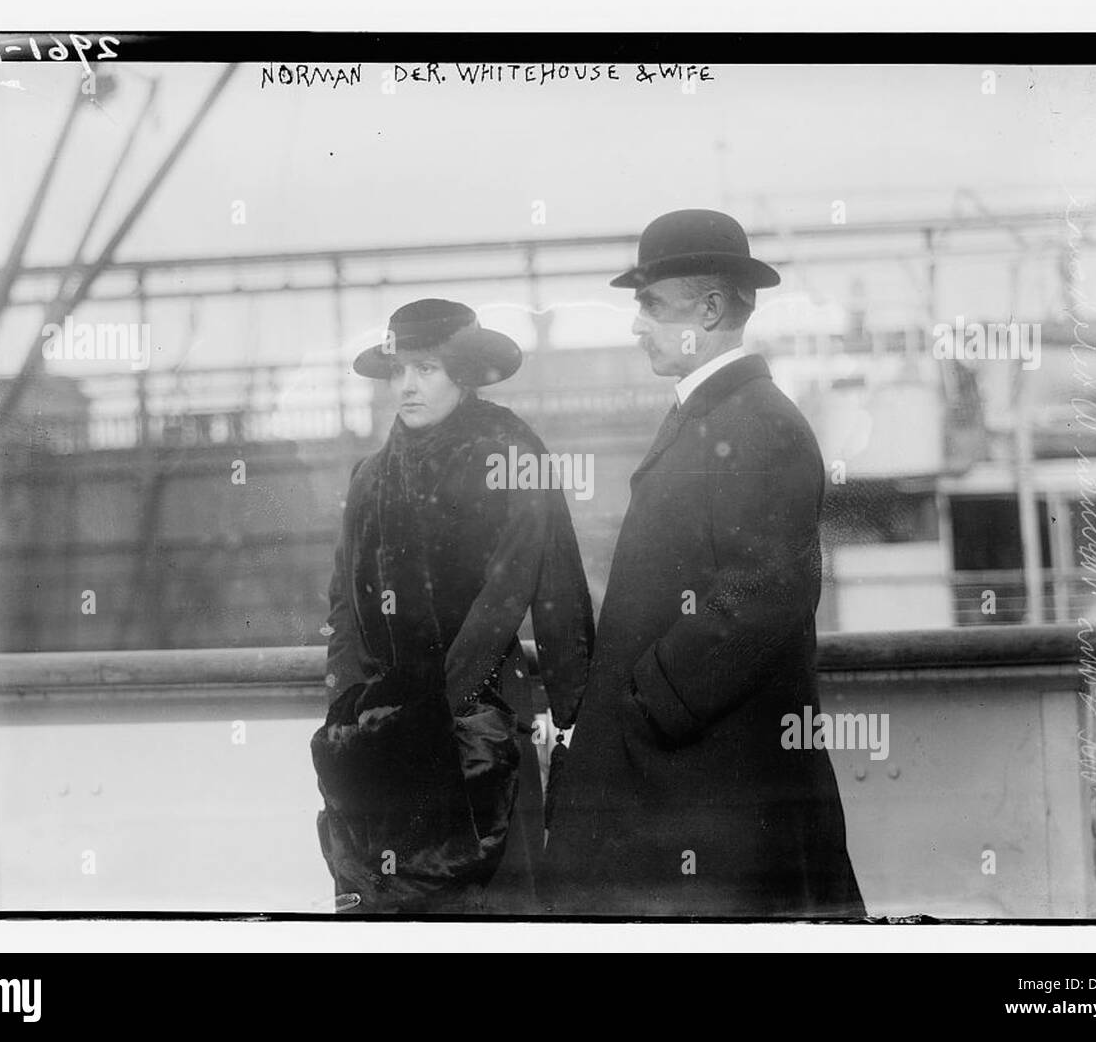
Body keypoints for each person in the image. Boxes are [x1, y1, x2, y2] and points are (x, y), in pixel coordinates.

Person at [543, 210, 865, 917]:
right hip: (694, 776)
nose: (637, 326)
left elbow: (769, 589)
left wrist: (649, 699)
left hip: (708, 778)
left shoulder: (759, 423)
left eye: (653, 306)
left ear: (712, 309)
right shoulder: (721, 413)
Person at [311, 298, 594, 914]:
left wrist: (574, 724)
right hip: (380, 739)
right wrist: (347, 715)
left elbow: (555, 589)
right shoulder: (370, 476)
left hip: (481, 723)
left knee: (492, 912)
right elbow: (344, 610)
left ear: (462, 374)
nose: (406, 386)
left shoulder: (511, 453)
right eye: (398, 370)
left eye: (427, 369)